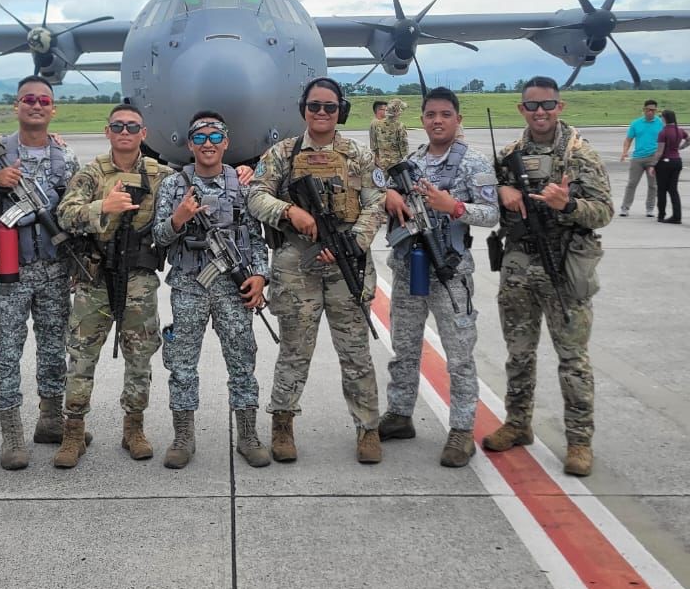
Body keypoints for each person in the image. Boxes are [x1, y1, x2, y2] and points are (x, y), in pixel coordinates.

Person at [247, 77, 387, 464]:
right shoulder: (282, 154)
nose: (321, 113)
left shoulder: (357, 154)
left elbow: (377, 202)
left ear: (339, 110)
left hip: (346, 265)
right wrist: (288, 211)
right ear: (303, 110)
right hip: (297, 264)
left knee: (356, 351)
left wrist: (353, 242)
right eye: (314, 106)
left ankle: (368, 428)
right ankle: (282, 423)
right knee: (294, 349)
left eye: (329, 107)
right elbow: (255, 195)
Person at [483, 77, 613, 477]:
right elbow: (489, 206)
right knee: (518, 354)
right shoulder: (508, 156)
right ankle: (518, 423)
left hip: (563, 267)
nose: (541, 112)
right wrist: (503, 191)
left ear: (561, 107)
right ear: (522, 110)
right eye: (533, 106)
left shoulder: (580, 156)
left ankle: (579, 441)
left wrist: (568, 203)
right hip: (519, 266)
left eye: (548, 105)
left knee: (572, 360)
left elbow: (604, 212)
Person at [379, 88, 499, 467]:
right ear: (422, 119)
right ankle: (400, 413)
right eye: (431, 114)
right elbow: (391, 200)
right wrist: (389, 199)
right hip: (410, 267)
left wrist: (454, 206)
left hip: (450, 271)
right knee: (404, 346)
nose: (437, 121)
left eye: (445, 114)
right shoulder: (412, 162)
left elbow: (491, 214)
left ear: (457, 119)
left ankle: (462, 430)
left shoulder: (473, 162)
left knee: (459, 354)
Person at [52, 103, 170, 469]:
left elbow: (199, 187)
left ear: (143, 134)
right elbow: (65, 214)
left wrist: (246, 172)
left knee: (140, 357)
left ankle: (133, 428)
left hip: (138, 278)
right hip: (95, 277)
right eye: (117, 126)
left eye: (132, 127)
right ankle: (73, 432)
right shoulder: (92, 174)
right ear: (107, 132)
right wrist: (104, 205)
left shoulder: (161, 174)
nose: (124, 132)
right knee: (82, 356)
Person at [153, 112, 271, 469]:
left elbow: (255, 239)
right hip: (189, 285)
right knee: (183, 363)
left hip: (232, 287)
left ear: (226, 143)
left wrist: (260, 278)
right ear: (190, 144)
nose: (208, 144)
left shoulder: (242, 185)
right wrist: (179, 219)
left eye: (215, 137)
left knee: (242, 360)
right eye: (200, 138)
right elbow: (159, 236)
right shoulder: (175, 186)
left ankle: (248, 435)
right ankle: (183, 436)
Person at [0, 76, 81, 470]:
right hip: (11, 271)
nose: (36, 105)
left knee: (54, 347)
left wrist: (76, 261)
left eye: (44, 100)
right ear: (16, 105)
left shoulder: (65, 157)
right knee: (6, 351)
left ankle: (50, 420)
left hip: (54, 268)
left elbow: (76, 207)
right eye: (28, 99)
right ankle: (11, 433)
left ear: (53, 109)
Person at [619, 99, 663, 217]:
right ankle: (625, 207)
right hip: (637, 158)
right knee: (632, 183)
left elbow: (664, 140)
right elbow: (628, 139)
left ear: (656, 111)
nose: (650, 112)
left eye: (653, 110)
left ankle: (650, 208)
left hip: (653, 158)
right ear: (644, 110)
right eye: (648, 110)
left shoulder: (660, 123)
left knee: (653, 185)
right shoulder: (636, 123)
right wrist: (624, 152)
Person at [651, 109, 688, 224]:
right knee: (673, 190)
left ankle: (661, 215)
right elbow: (688, 139)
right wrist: (681, 147)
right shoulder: (680, 130)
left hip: (665, 163)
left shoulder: (663, 132)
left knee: (662, 189)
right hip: (677, 160)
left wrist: (653, 164)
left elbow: (659, 152)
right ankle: (677, 216)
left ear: (665, 118)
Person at [368, 96, 410, 171]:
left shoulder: (377, 124)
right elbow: (404, 148)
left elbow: (374, 146)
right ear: (397, 111)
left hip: (382, 163)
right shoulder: (400, 126)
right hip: (396, 165)